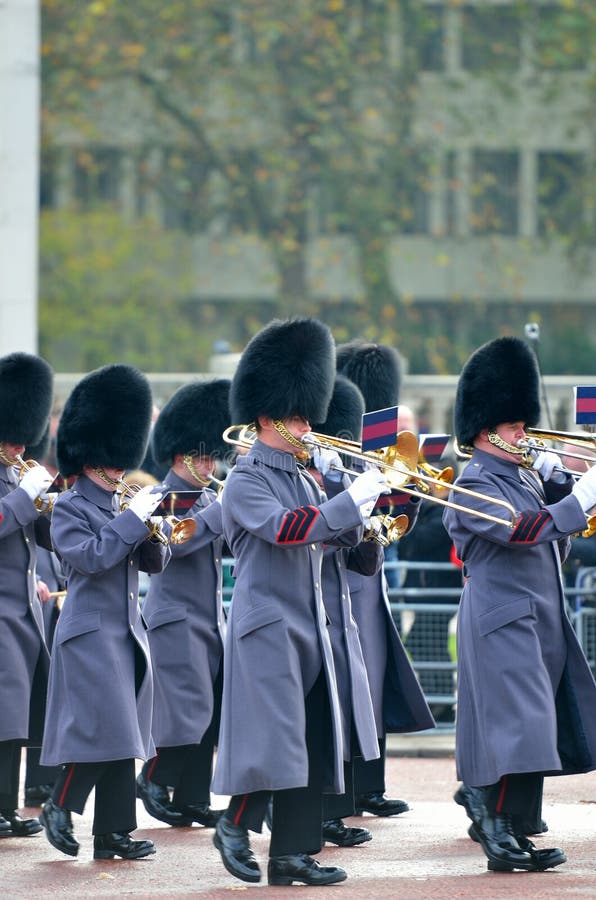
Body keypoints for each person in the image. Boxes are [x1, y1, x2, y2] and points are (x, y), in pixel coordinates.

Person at [211, 318, 389, 887]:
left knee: (311, 739)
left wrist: (364, 518)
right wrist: (344, 505)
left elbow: (339, 546)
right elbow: (285, 530)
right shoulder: (244, 478)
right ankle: (234, 823)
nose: (307, 428)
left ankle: (291, 853)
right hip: (267, 625)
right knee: (273, 737)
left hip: (312, 623)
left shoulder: (311, 479)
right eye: (297, 418)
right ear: (267, 418)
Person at [443, 335, 596, 873]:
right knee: (521, 725)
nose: (523, 434)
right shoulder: (473, 482)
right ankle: (493, 821)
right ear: (487, 432)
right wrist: (577, 499)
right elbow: (520, 530)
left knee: (537, 723)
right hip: (501, 618)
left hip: (536, 619)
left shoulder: (522, 477)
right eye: (515, 427)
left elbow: (552, 528)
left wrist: (564, 478)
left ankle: (510, 826)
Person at [39, 364, 170, 860]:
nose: (120, 468)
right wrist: (133, 522)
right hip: (89, 631)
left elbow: (152, 565)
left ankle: (113, 832)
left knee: (124, 733)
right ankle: (59, 804)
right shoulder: (70, 506)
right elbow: (90, 559)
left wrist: (154, 529)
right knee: (103, 729)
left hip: (123, 631)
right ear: (98, 453)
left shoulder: (120, 503)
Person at [335, 340, 434, 818]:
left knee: (373, 684)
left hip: (371, 582)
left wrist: (408, 497)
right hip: (343, 581)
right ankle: (346, 790)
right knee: (351, 686)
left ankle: (370, 787)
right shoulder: (339, 460)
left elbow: (394, 529)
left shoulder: (379, 453)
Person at [137, 378, 231, 829]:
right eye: (203, 457)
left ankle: (193, 797)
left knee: (208, 710)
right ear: (180, 456)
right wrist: (220, 509)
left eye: (212, 456)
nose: (210, 464)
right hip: (175, 618)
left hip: (209, 619)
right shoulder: (160, 498)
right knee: (185, 708)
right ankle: (153, 777)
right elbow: (177, 545)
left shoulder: (211, 495)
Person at [310, 375, 383, 849]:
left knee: (340, 721)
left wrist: (371, 523)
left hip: (340, 615)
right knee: (313, 724)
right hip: (308, 616)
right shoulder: (283, 481)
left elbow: (359, 561)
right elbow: (295, 530)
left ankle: (332, 815)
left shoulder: (331, 480)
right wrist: (342, 494)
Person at [0, 352, 55, 838]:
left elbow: (46, 535)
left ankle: (6, 807)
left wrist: (49, 502)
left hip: (22, 610)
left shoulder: (17, 472)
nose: (19, 445)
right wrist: (23, 496)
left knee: (17, 717)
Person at [398, 457, 462, 723]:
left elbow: (419, 539)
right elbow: (404, 543)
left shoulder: (446, 511)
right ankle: (439, 699)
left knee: (424, 642)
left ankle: (444, 702)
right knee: (421, 642)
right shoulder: (430, 508)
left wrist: (412, 520)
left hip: (439, 589)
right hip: (425, 587)